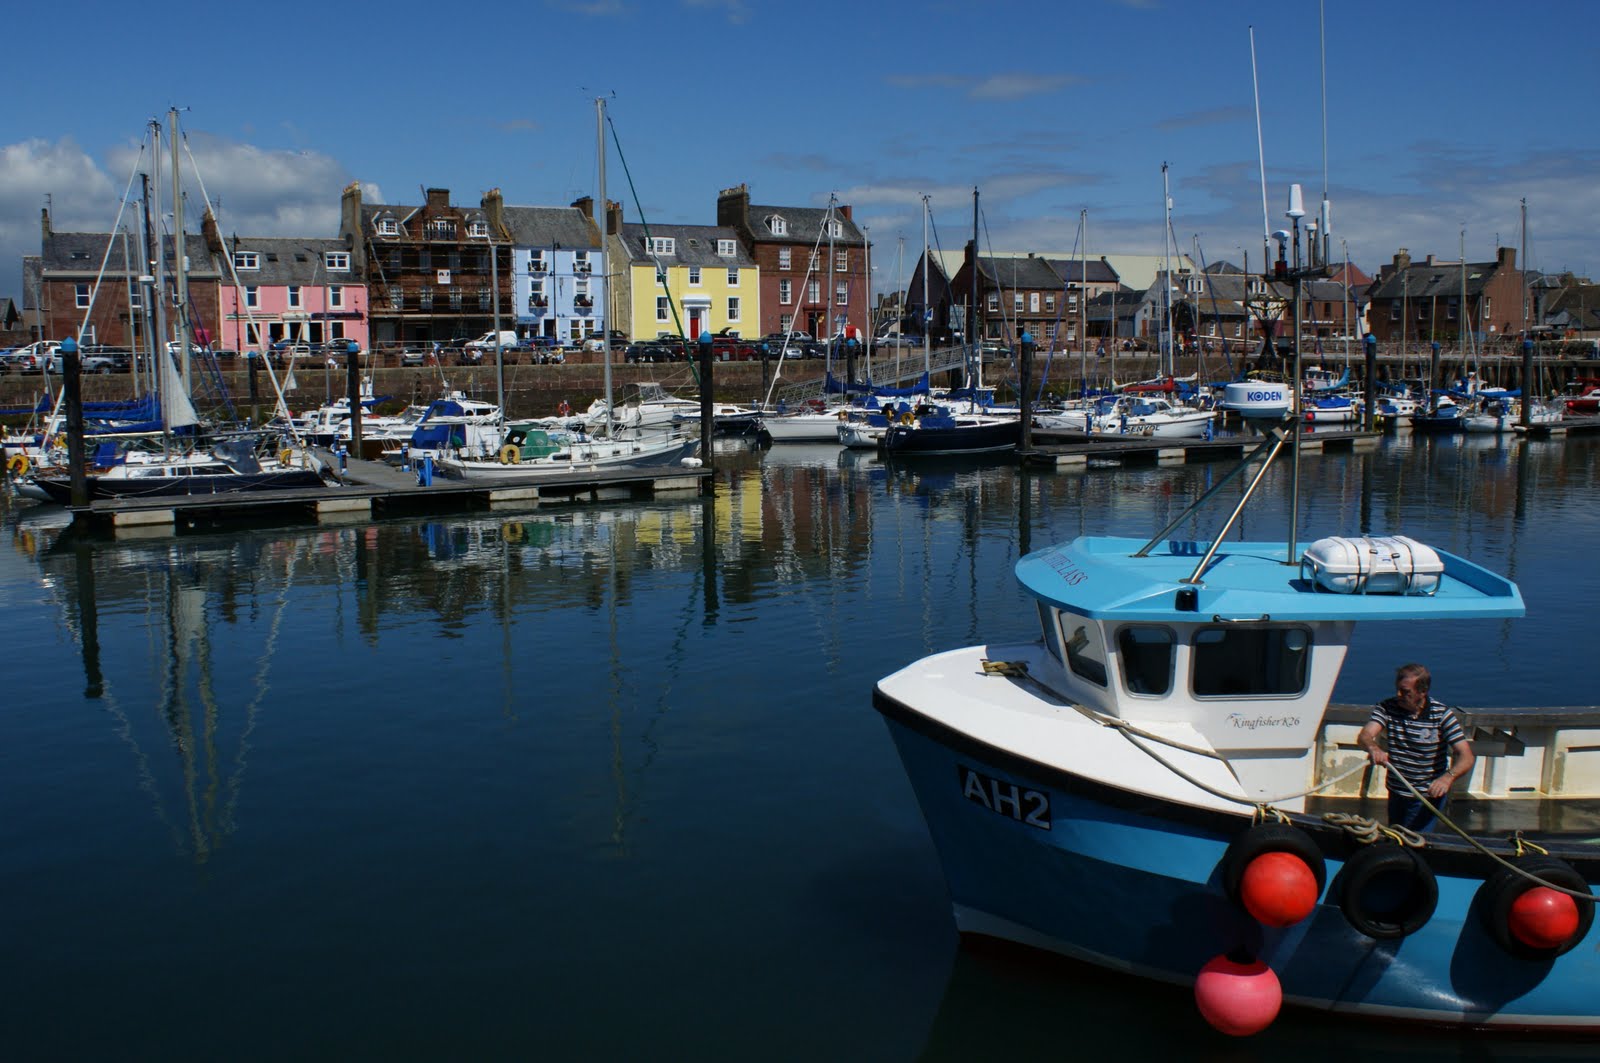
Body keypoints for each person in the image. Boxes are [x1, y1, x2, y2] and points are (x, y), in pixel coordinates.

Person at [1358, 663, 1474, 831]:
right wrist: (1373, 747)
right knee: (1396, 835)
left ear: (1422, 691)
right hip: (1397, 793)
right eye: (1398, 689)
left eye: (1406, 692)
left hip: (1426, 796)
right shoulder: (1387, 708)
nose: (1399, 695)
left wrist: (1447, 778)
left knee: (1414, 841)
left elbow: (1466, 756)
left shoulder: (1441, 714)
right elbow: (1365, 735)